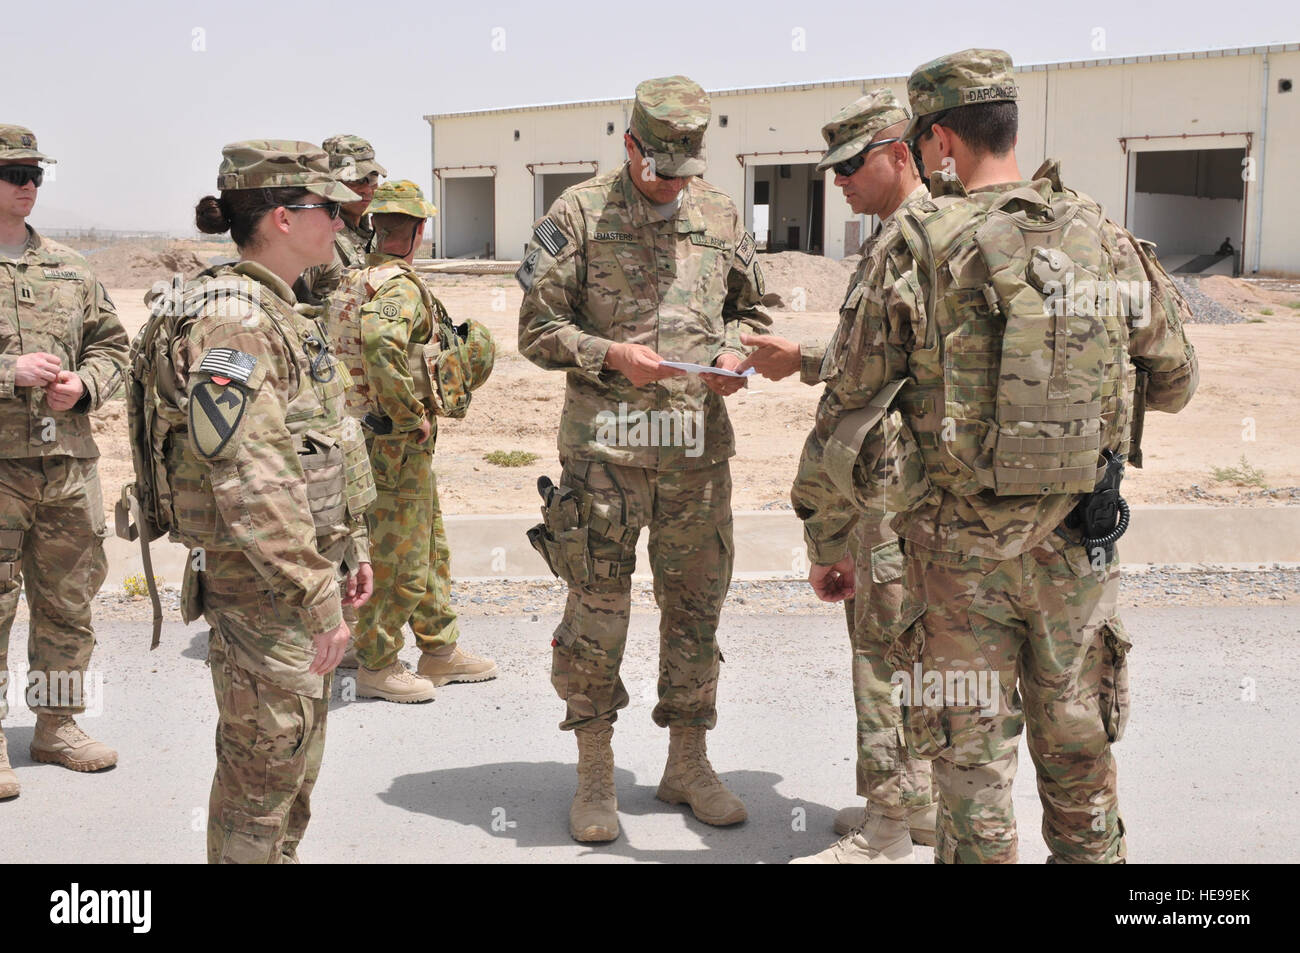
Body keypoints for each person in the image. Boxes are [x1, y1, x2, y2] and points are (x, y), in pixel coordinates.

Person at [791, 49, 1198, 863]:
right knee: (1081, 756)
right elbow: (1177, 379)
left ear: (940, 139)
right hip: (1079, 550)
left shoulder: (917, 246)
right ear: (1009, 124)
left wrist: (827, 538)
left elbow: (849, 409)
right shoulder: (1104, 236)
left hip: (957, 568)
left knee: (971, 777)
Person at [518, 75, 770, 842]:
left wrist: (738, 347)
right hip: (607, 457)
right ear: (629, 145)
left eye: (684, 168)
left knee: (696, 609)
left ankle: (687, 761)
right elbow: (535, 327)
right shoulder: (578, 213)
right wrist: (607, 355)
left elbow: (751, 309)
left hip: (696, 453)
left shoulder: (722, 212)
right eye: (659, 166)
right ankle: (595, 772)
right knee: (597, 610)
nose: (672, 183)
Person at [739, 90, 938, 863]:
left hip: (892, 484)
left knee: (884, 650)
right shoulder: (917, 234)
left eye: (852, 165)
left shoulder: (908, 241)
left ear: (898, 153)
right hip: (919, 477)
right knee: (916, 645)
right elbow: (894, 351)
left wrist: (802, 367)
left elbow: (863, 375)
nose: (839, 182)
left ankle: (887, 832)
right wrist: (803, 359)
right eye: (833, 169)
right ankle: (914, 805)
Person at [176, 140, 375, 861]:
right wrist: (314, 591)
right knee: (262, 783)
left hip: (295, 583)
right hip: (264, 593)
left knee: (292, 774)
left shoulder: (284, 310)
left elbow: (319, 446)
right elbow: (249, 480)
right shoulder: (239, 323)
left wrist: (351, 549)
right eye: (327, 207)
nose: (342, 223)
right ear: (283, 219)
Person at [327, 179, 497, 702]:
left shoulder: (354, 278)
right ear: (420, 230)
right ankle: (378, 664)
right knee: (395, 554)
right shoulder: (396, 286)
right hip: (391, 444)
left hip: (370, 439)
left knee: (428, 543)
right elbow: (381, 345)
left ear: (378, 224)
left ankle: (439, 650)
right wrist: (408, 415)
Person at [0, 124, 128, 799]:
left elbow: (114, 347)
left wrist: (85, 385)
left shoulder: (72, 268)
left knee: (67, 598)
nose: (27, 184)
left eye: (35, 174)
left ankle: (57, 722)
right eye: (13, 172)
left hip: (67, 465)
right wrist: (8, 370)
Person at [296, 134, 386, 305]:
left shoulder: (373, 235)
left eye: (372, 179)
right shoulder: (317, 239)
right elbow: (288, 306)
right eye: (357, 180)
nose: (367, 189)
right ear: (330, 182)